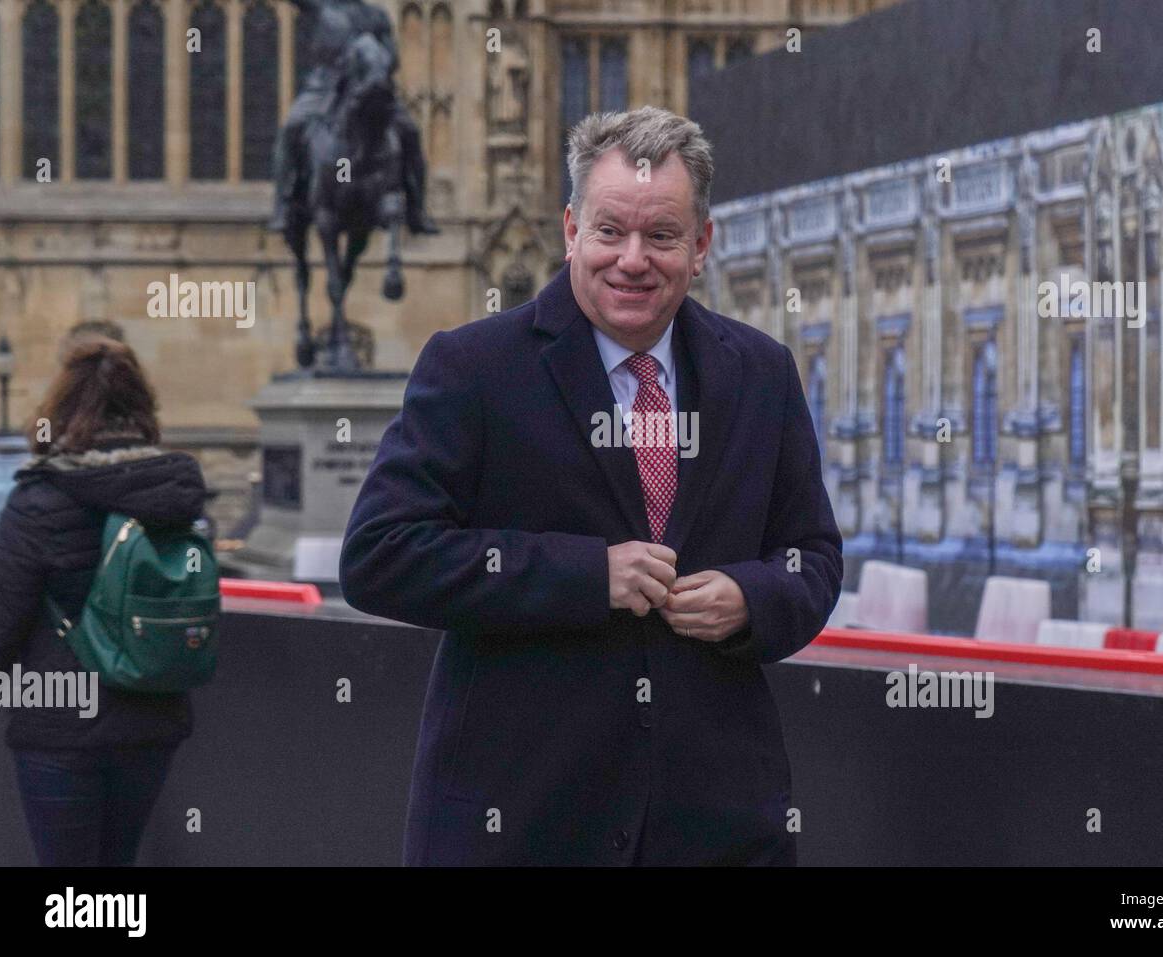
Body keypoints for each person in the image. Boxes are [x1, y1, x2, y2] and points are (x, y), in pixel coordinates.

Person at [340, 105, 842, 866]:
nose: (633, 259)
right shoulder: (473, 368)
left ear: (701, 243)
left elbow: (813, 556)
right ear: (572, 230)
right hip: (521, 828)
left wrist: (752, 598)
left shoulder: (761, 372)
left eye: (662, 236)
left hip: (716, 829)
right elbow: (378, 555)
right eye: (611, 231)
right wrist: (587, 573)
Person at [0, 336, 211, 866]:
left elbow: (1, 627)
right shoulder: (175, 492)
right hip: (152, 716)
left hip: (59, 724)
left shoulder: (40, 498)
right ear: (142, 406)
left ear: (61, 408)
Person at [268, 0, 432, 235]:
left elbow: (392, 56)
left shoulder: (376, 16)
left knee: (411, 133)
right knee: (289, 131)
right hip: (325, 88)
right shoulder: (321, 7)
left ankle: (417, 209)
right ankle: (282, 206)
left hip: (367, 89)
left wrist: (376, 71)